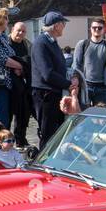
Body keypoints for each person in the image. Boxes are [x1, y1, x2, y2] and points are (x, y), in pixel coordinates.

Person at [31, 11, 72, 152]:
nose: (64, 26)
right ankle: (42, 163)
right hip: (45, 95)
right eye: (63, 23)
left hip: (54, 93)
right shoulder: (41, 43)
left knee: (57, 132)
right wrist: (68, 84)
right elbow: (47, 74)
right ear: (56, 26)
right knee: (47, 133)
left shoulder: (51, 42)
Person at [71, 17, 106, 108]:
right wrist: (76, 81)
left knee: (100, 117)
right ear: (90, 29)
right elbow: (76, 65)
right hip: (85, 86)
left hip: (102, 87)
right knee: (83, 114)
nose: (97, 30)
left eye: (100, 28)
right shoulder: (82, 44)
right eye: (94, 27)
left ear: (104, 30)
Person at [8, 21, 33, 147]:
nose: (20, 33)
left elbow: (30, 62)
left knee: (24, 112)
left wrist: (22, 68)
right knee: (8, 115)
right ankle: (5, 141)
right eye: (18, 30)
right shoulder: (6, 43)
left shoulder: (27, 44)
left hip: (24, 83)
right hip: (9, 83)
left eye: (23, 31)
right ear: (12, 29)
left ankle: (20, 138)